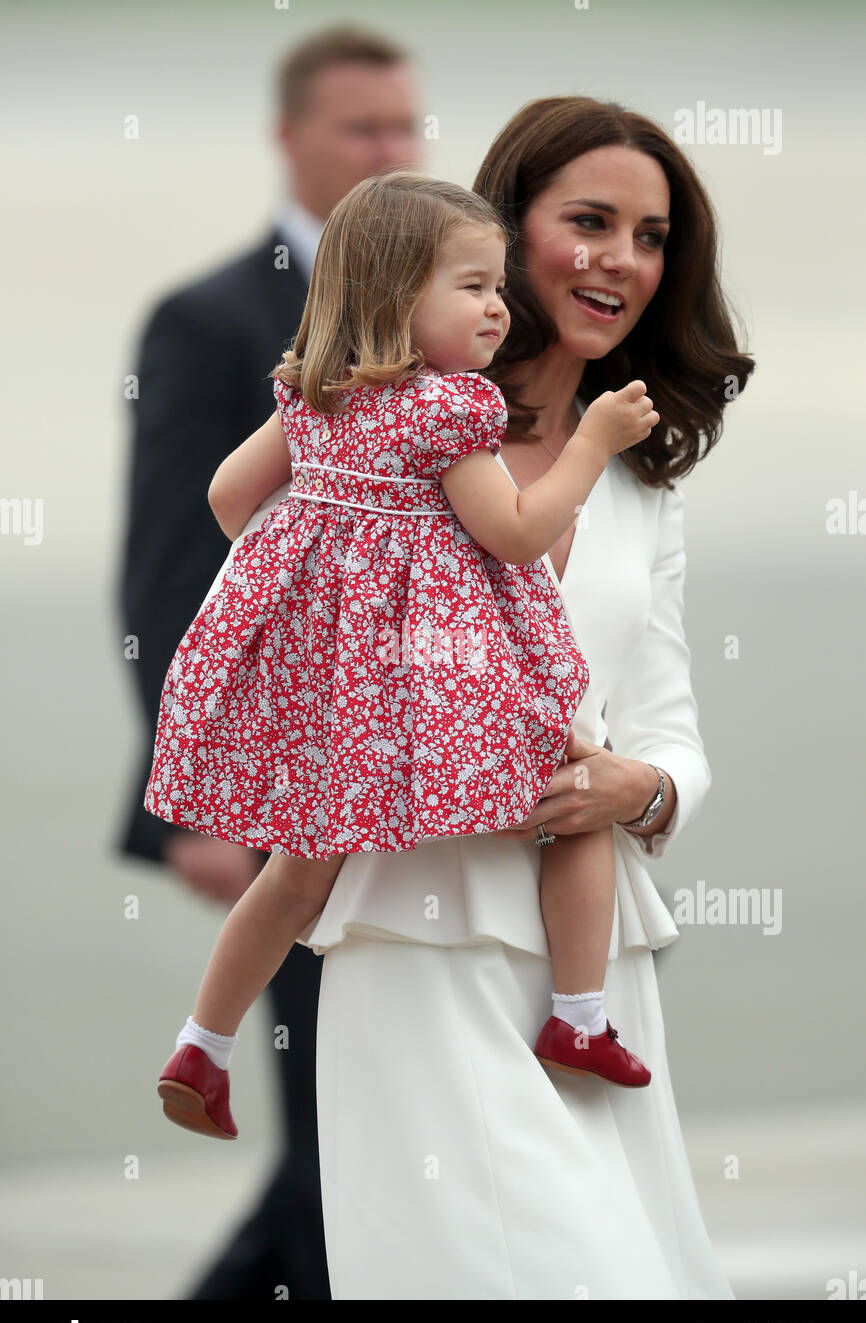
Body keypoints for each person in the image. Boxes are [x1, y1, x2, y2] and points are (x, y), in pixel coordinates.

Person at [271, 95, 753, 1298]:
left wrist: (634, 790)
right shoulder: (369, 439)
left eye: (651, 239)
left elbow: (671, 735)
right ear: (499, 227)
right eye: (588, 220)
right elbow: (260, 611)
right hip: (416, 940)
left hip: (593, 971)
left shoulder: (641, 489)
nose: (622, 262)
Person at [148, 171, 661, 1146]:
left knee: (297, 874)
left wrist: (316, 555)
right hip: (438, 677)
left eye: (499, 287)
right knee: (575, 804)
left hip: (336, 684)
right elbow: (514, 533)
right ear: (393, 295)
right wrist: (590, 444)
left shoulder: (310, 395)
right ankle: (580, 1017)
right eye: (472, 287)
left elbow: (225, 501)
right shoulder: (447, 411)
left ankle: (201, 1044)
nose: (498, 310)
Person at [115, 24, 423, 1299]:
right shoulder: (206, 318)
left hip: (427, 774)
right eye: (362, 129)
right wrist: (194, 796)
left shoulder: (461, 311)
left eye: (405, 129)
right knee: (327, 1114)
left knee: (397, 1103)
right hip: (287, 783)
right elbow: (174, 568)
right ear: (288, 137)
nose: (388, 153)